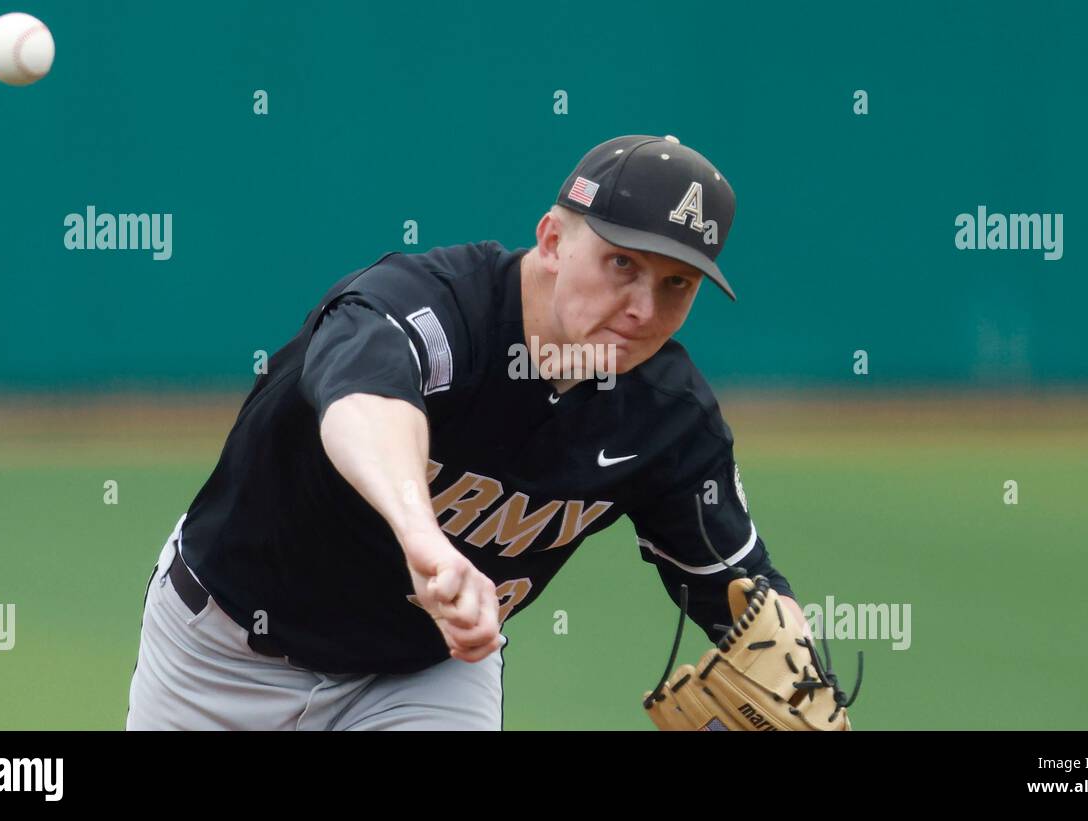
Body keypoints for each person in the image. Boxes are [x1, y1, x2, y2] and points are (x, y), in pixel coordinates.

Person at [125, 134, 811, 730]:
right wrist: (424, 540)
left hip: (425, 676)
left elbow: (741, 587)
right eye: (622, 263)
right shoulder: (433, 310)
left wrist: (805, 684)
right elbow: (363, 402)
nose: (642, 307)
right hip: (219, 656)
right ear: (551, 240)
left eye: (677, 284)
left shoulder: (667, 417)